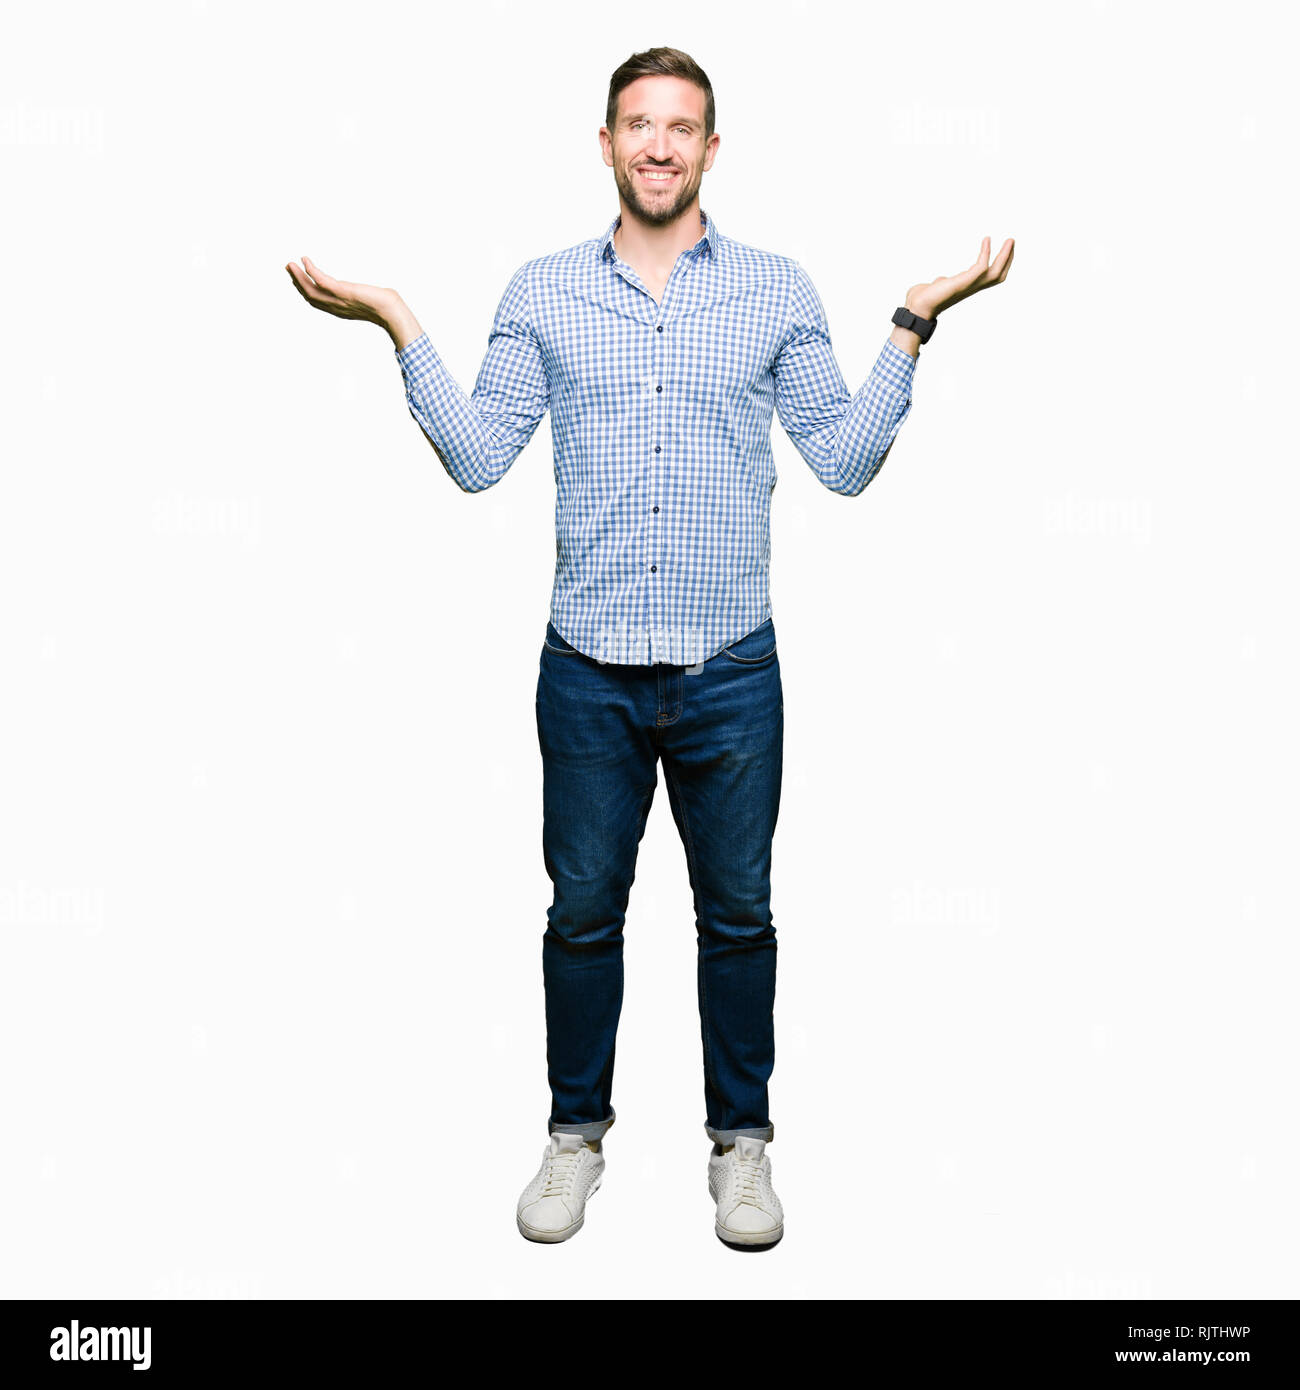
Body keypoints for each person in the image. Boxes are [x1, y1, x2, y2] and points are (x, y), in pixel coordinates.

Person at [286, 46, 1014, 1251]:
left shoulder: (776, 289)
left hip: (731, 669)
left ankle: (742, 1147)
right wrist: (396, 319)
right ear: (608, 144)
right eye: (639, 124)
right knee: (581, 914)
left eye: (683, 127)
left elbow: (840, 459)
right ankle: (575, 1138)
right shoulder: (541, 290)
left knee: (738, 917)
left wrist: (914, 319)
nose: (661, 146)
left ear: (712, 149)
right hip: (589, 674)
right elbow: (475, 457)